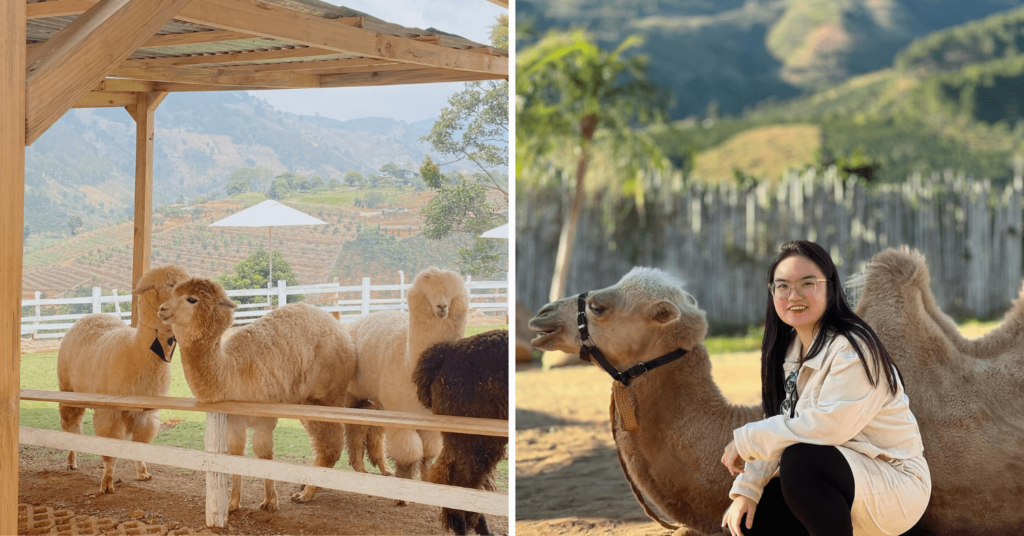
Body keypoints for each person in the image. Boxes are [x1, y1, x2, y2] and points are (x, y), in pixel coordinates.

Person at [720, 240, 931, 536]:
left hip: (894, 483)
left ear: (830, 287)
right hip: (846, 474)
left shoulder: (852, 350)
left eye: (807, 283)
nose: (794, 295)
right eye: (782, 286)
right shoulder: (791, 350)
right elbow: (784, 421)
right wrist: (748, 488)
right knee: (755, 517)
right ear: (772, 293)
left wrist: (747, 441)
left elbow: (829, 427)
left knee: (801, 462)